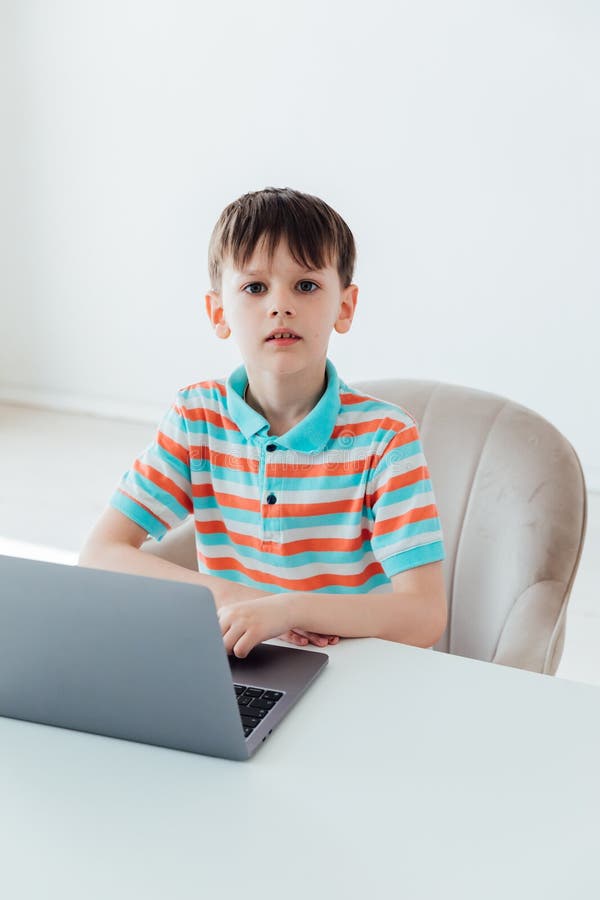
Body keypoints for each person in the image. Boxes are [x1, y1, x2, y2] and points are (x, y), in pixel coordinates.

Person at [79, 186, 447, 659]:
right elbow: (101, 554)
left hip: (352, 666)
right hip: (238, 656)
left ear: (345, 306)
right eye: (255, 287)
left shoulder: (386, 439)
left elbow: (424, 616)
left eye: (306, 285)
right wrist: (245, 601)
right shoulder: (197, 418)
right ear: (219, 313)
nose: (280, 305)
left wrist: (290, 609)